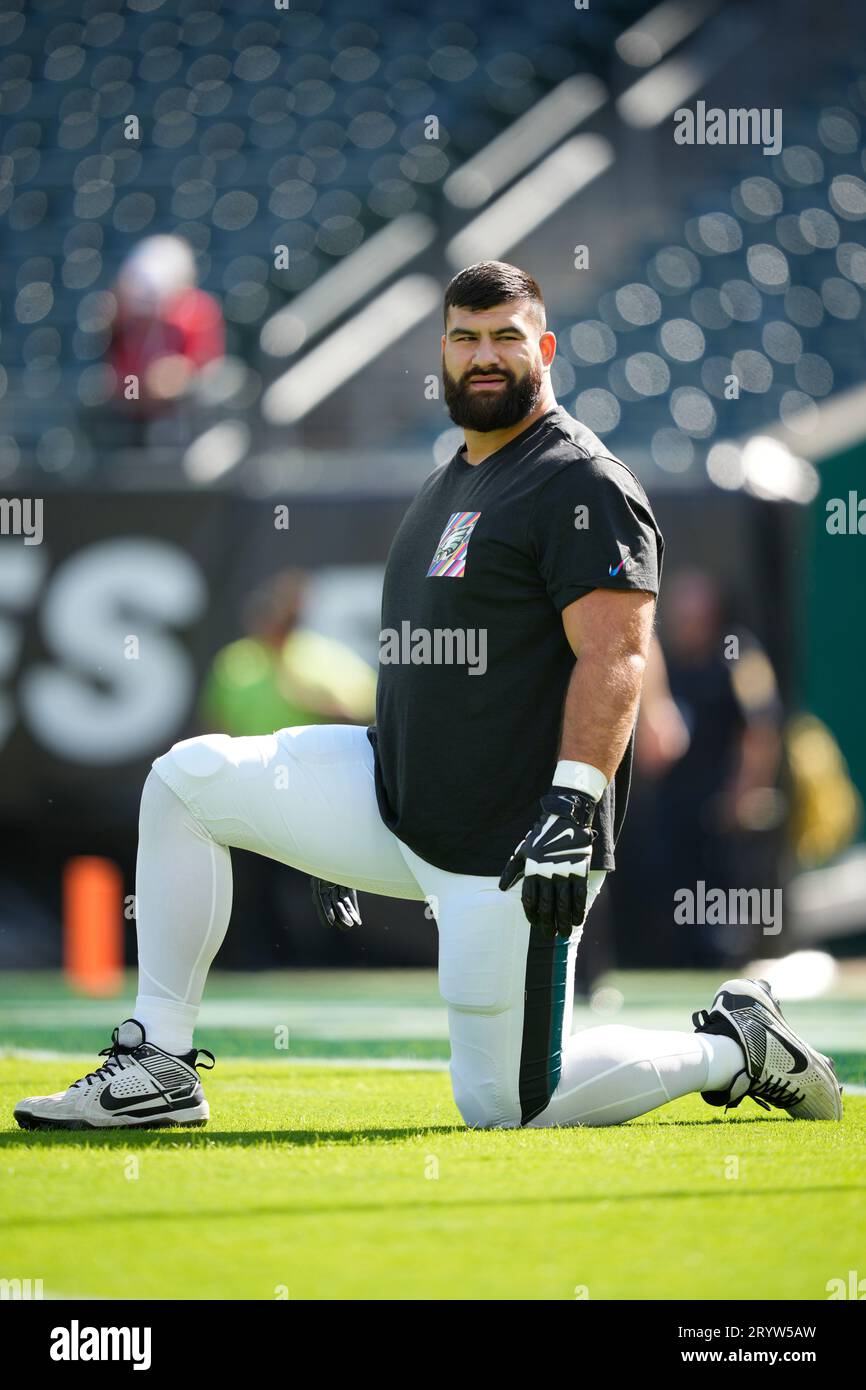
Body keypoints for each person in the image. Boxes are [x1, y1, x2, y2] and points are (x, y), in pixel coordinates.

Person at [15, 262, 841, 1131]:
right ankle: (159, 1063)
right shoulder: (457, 473)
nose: (484, 357)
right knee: (186, 782)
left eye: (505, 338)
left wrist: (575, 800)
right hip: (393, 793)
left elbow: (617, 656)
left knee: (508, 1104)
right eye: (465, 339)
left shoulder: (579, 481)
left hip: (509, 841)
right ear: (442, 353)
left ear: (545, 349)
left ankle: (737, 1045)